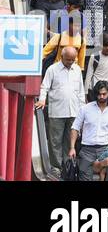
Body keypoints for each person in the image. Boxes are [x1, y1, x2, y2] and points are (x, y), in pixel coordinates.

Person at [36, 45, 84, 175]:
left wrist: (82, 109)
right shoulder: (52, 69)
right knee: (55, 140)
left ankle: (67, 165)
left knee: (70, 140)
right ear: (62, 57)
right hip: (57, 111)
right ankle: (56, 167)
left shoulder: (77, 69)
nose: (70, 62)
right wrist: (42, 99)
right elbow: (44, 86)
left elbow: (81, 91)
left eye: (73, 59)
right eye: (68, 59)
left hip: (74, 110)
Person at [71, 81, 108, 181]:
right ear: (96, 94)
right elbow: (75, 128)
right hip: (86, 150)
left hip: (105, 150)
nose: (101, 96)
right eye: (99, 94)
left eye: (104, 94)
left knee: (107, 178)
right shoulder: (85, 109)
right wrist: (72, 147)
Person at [41, 0, 86, 70]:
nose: (77, 10)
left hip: (73, 58)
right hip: (56, 52)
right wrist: (54, 35)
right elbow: (44, 29)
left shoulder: (81, 16)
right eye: (75, 7)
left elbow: (85, 35)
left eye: (78, 8)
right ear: (68, 5)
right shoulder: (56, 14)